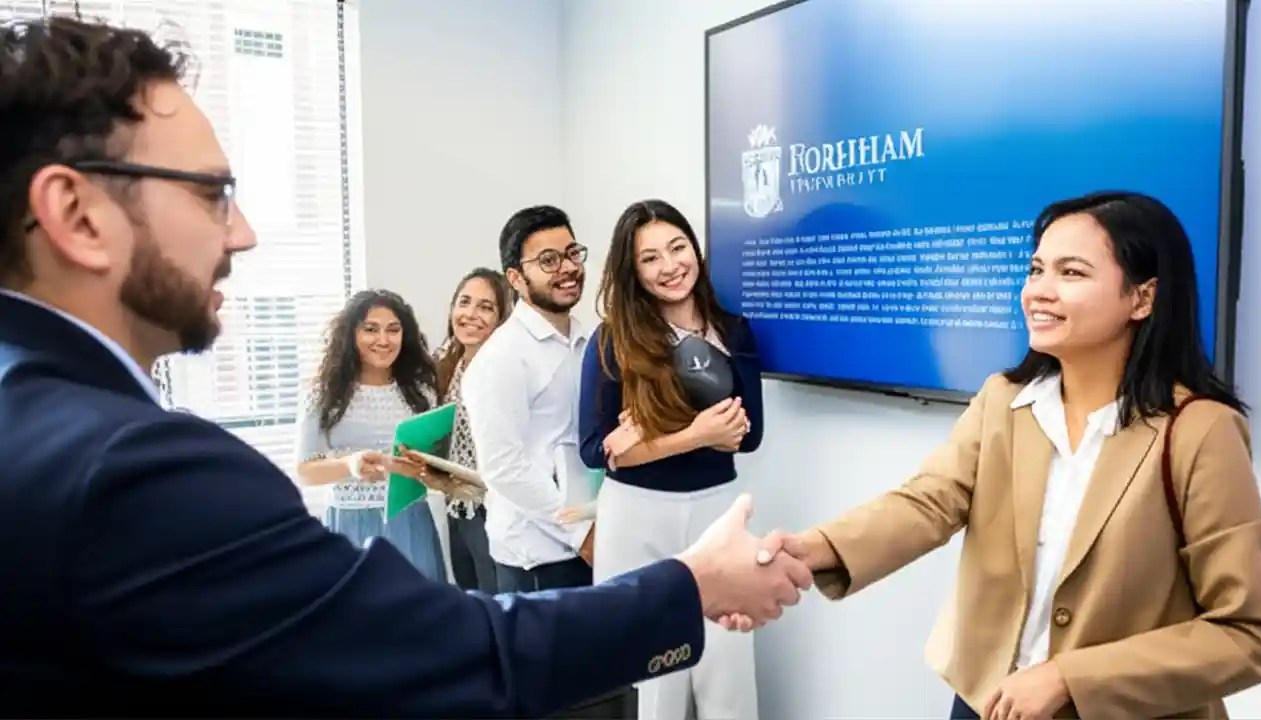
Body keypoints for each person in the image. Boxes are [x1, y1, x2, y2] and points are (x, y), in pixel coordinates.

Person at [0, 16, 815, 716]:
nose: (242, 232)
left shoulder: (35, 412)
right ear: (76, 214)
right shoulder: (130, 471)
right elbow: (451, 649)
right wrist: (691, 585)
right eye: (211, 193)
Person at [750, 192, 1261, 719]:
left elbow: (1253, 631)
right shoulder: (1004, 399)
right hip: (989, 701)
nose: (1039, 292)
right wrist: (816, 547)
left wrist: (1069, 679)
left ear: (1142, 298)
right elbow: (931, 501)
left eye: (1071, 273)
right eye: (1036, 269)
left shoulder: (1199, 430)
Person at [579, 199, 765, 720]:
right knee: (653, 670)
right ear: (632, 271)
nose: (670, 266)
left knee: (728, 660)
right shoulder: (614, 340)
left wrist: (645, 439)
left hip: (716, 511)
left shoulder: (733, 331)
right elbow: (598, 448)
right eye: (650, 258)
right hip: (636, 516)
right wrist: (699, 432)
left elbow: (748, 437)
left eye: (678, 247)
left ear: (695, 250)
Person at [460, 205, 600, 593]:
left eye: (572, 254)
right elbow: (503, 465)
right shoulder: (503, 356)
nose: (568, 268)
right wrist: (582, 532)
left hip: (588, 546)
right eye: (548, 260)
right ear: (516, 278)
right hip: (538, 563)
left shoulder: (586, 339)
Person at [295, 289, 448, 581]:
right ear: (351, 334)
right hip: (350, 525)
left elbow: (438, 468)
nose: (383, 340)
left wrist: (424, 470)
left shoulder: (421, 392)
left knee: (419, 619)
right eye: (371, 329)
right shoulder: (322, 395)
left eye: (393, 330)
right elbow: (305, 472)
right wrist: (350, 466)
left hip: (411, 521)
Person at [432, 268, 513, 593]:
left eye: (486, 307)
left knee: (496, 602)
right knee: (469, 596)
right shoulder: (447, 363)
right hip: (456, 506)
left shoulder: (505, 369)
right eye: (464, 302)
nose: (471, 314)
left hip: (491, 507)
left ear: (502, 318)